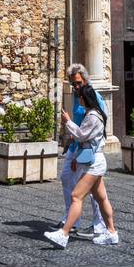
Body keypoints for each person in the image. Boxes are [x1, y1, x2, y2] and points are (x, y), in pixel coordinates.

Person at [45, 83, 119, 248]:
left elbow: (81, 135)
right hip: (96, 162)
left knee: (76, 196)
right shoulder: (95, 114)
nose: (78, 99)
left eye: (80, 97)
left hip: (93, 164)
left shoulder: (92, 116)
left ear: (85, 98)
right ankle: (112, 232)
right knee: (101, 198)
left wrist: (68, 122)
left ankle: (63, 234)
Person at [56, 64, 107, 239]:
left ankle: (99, 224)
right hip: (76, 144)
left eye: (78, 83)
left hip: (86, 148)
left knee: (92, 189)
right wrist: (70, 138)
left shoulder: (95, 98)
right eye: (73, 84)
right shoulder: (79, 97)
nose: (76, 87)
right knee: (66, 178)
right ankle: (72, 218)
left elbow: (96, 127)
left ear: (85, 79)